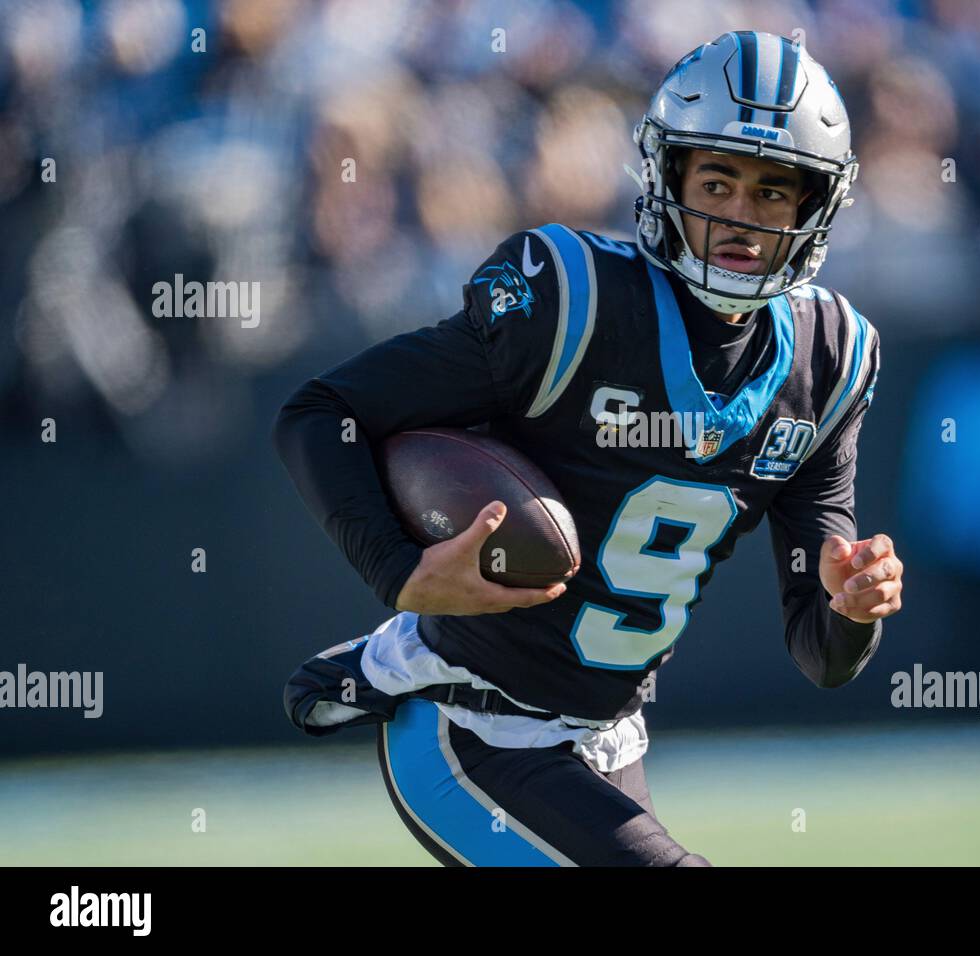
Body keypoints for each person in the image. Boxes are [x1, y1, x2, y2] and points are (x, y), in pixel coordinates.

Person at [274, 31, 903, 867]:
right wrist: (398, 571)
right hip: (470, 722)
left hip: (608, 740)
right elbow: (322, 413)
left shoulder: (830, 360)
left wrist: (852, 610)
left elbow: (821, 654)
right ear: (667, 175)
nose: (739, 217)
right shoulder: (569, 301)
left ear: (814, 207)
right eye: (716, 180)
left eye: (772, 191)